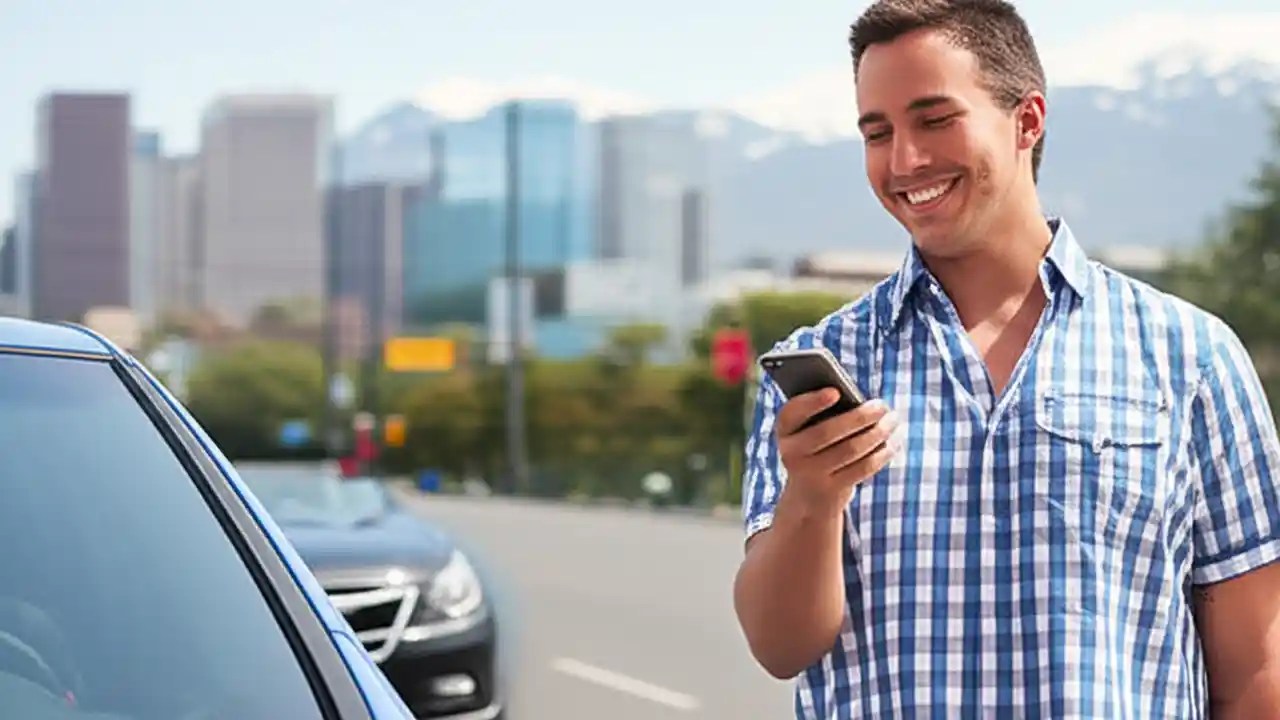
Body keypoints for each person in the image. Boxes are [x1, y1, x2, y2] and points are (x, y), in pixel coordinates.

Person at [732, 1, 1280, 717]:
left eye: (935, 120)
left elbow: (1255, 669)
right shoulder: (821, 368)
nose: (904, 161)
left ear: (1027, 121)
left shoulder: (1190, 358)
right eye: (877, 132)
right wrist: (813, 495)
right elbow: (778, 647)